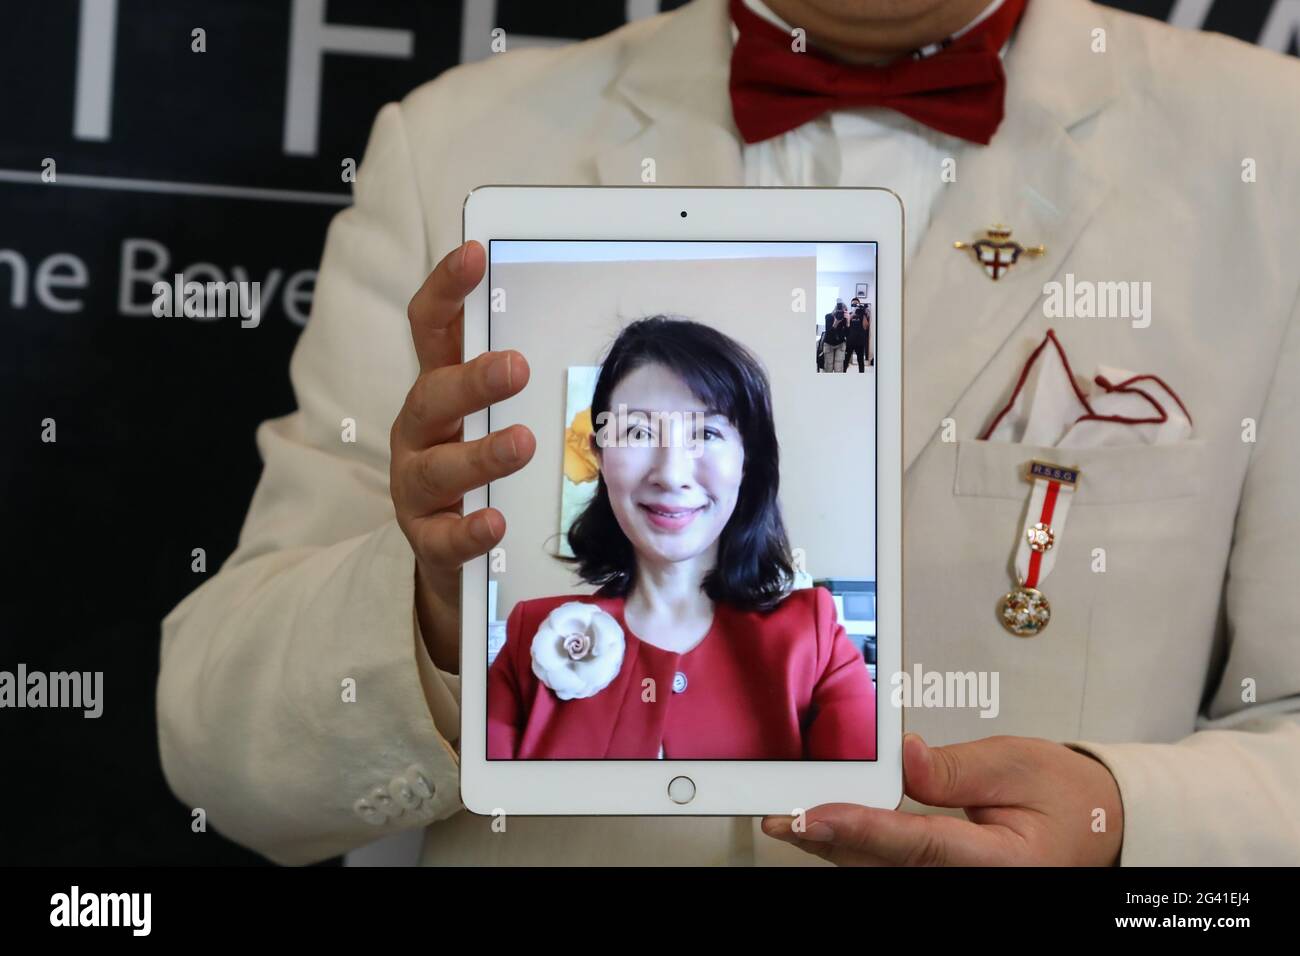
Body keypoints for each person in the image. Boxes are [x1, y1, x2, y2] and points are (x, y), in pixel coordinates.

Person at [158, 0, 1300, 866]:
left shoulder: (1270, 148)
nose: (672, 465)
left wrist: (1121, 819)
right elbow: (222, 748)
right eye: (643, 426)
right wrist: (431, 615)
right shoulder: (452, 144)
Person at [488, 317, 875, 760]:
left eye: (706, 433)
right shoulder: (530, 638)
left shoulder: (815, 639)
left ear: (748, 460)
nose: (671, 475)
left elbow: (861, 819)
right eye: (637, 433)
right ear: (599, 454)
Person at [823, 303, 849, 372]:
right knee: (828, 368)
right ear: (835, 310)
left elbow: (848, 335)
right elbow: (828, 333)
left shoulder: (845, 319)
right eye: (839, 311)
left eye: (842, 312)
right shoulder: (828, 316)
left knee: (838, 368)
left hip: (840, 344)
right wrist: (836, 322)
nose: (840, 313)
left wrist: (848, 322)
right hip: (829, 344)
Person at [847, 304, 869, 372]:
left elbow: (865, 327)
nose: (857, 307)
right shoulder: (850, 314)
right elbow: (847, 324)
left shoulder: (864, 315)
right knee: (846, 360)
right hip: (850, 341)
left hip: (860, 342)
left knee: (860, 361)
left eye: (857, 304)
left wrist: (864, 314)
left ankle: (861, 377)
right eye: (854, 304)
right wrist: (854, 313)